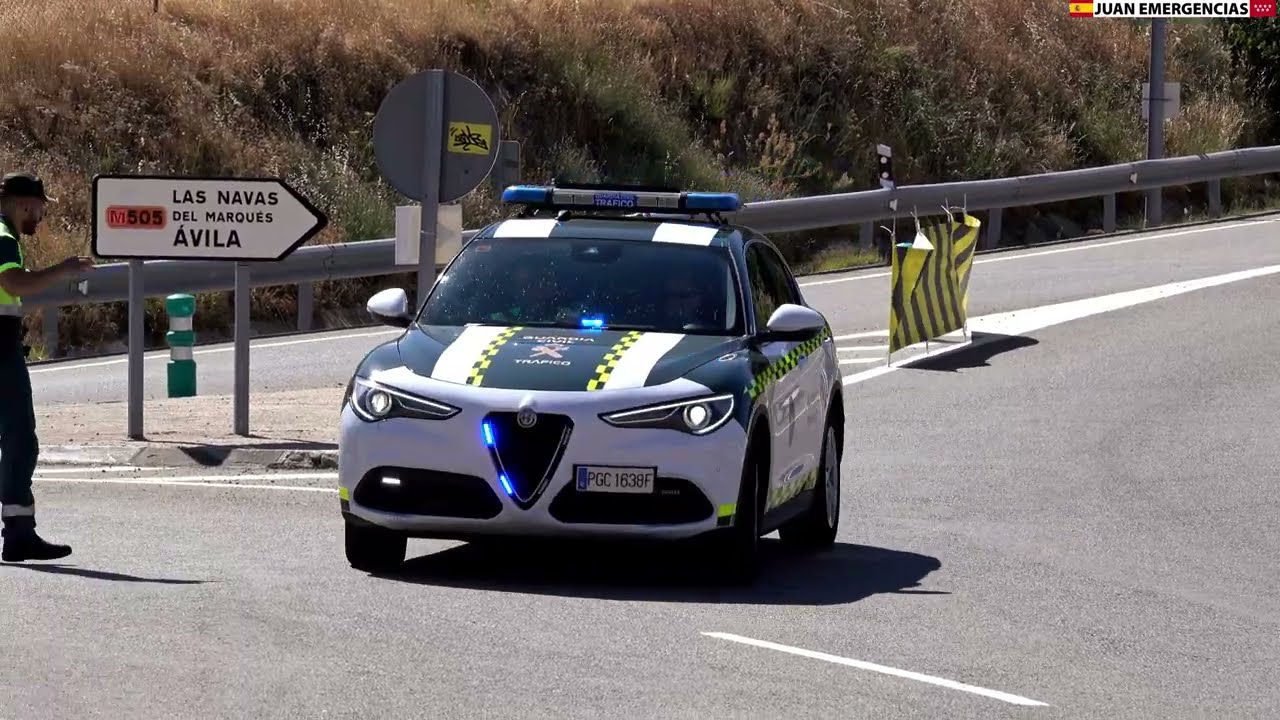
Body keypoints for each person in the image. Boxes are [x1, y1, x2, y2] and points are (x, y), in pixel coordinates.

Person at [0, 171, 93, 562]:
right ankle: (19, 534)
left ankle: (19, 531)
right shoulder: (4, 237)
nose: (40, 215)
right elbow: (15, 283)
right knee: (21, 437)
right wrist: (63, 269)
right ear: (23, 203)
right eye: (39, 208)